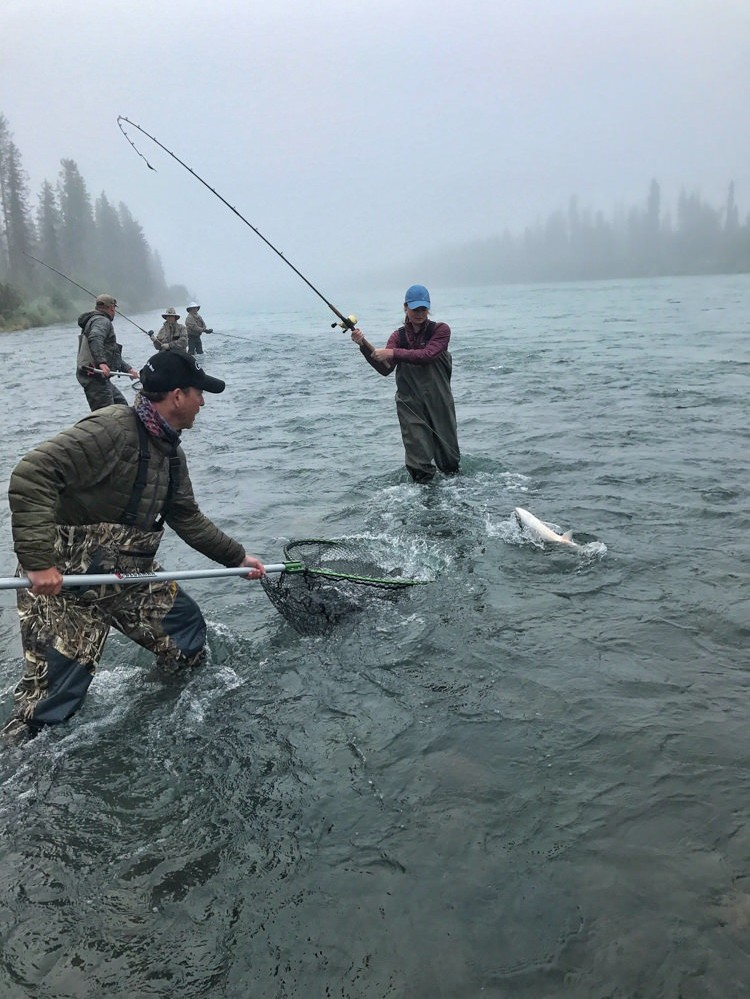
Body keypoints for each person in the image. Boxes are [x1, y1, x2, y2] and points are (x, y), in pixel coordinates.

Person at [2, 350, 265, 743]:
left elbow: (188, 519)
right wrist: (38, 563)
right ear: (178, 396)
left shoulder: (172, 455)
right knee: (49, 710)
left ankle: (167, 719)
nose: (203, 402)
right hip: (64, 587)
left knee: (187, 636)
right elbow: (32, 474)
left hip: (128, 577)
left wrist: (238, 558)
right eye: (199, 393)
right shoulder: (111, 427)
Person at [351, 284, 460, 483]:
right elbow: (385, 369)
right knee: (417, 459)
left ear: (428, 308)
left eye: (423, 309)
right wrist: (363, 347)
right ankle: (424, 489)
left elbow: (428, 355)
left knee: (449, 459)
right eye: (415, 309)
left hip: (439, 400)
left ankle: (452, 484)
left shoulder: (441, 330)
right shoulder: (398, 336)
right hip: (409, 403)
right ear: (405, 307)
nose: (419, 313)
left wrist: (393, 352)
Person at [75, 293, 140, 411]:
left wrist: (128, 369)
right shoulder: (102, 321)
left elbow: (111, 353)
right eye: (114, 308)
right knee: (108, 415)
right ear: (112, 308)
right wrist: (102, 363)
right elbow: (95, 338)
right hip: (95, 378)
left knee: (122, 408)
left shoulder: (95, 320)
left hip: (100, 378)